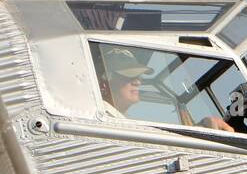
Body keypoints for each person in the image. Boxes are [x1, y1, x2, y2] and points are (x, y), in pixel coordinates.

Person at [98, 46, 235, 132]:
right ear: (104, 85)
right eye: (129, 77)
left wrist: (202, 127)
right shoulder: (106, 122)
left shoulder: (120, 120)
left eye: (138, 76)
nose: (138, 81)